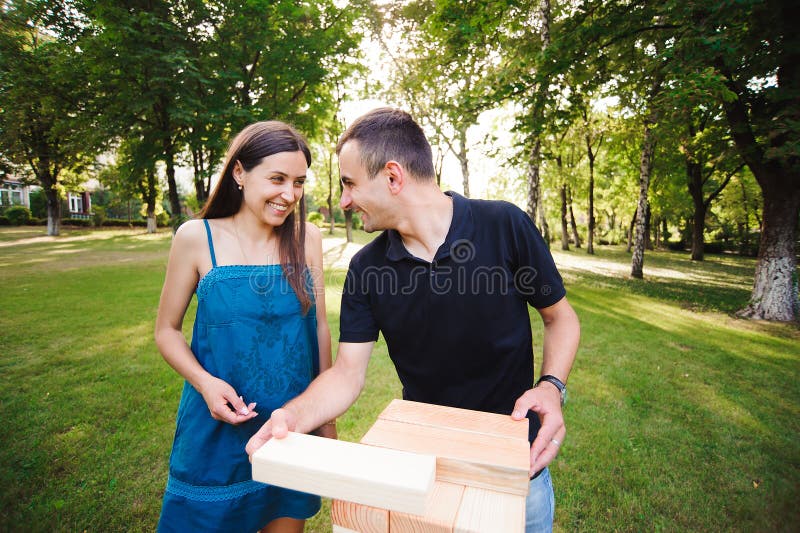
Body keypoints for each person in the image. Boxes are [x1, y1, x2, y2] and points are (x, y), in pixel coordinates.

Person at [246, 108, 580, 533]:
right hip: (423, 470)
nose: (344, 200)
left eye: (349, 184)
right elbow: (347, 374)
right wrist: (292, 417)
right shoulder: (367, 269)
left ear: (392, 177)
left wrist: (551, 388)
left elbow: (561, 319)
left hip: (516, 468)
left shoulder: (504, 225)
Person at [155, 121, 334, 533]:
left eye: (299, 182)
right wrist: (204, 382)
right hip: (217, 430)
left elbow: (320, 328)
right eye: (277, 179)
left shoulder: (308, 239)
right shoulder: (196, 237)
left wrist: (324, 418)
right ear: (239, 173)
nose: (289, 195)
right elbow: (166, 329)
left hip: (290, 428)